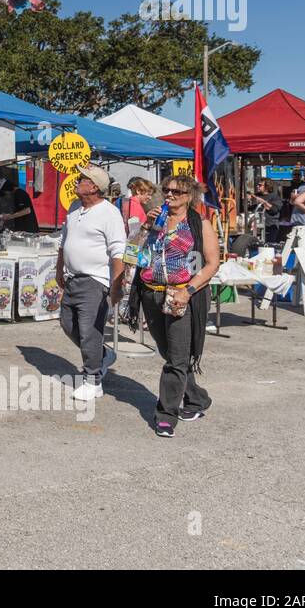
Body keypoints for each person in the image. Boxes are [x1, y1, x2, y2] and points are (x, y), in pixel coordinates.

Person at [130, 174, 219, 437]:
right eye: (166, 190)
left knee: (177, 359)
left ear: (189, 196)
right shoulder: (155, 220)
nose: (169, 196)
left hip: (182, 295)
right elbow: (131, 253)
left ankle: (166, 414)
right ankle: (198, 399)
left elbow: (213, 264)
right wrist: (145, 227)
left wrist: (188, 291)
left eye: (176, 193)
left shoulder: (198, 223)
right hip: (151, 294)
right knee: (170, 354)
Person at [56, 163, 127, 401]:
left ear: (94, 187)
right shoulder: (75, 207)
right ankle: (102, 355)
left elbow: (118, 251)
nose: (76, 181)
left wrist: (117, 285)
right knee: (67, 324)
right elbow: (64, 242)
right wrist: (59, 270)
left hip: (95, 281)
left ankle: (93, 380)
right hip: (72, 277)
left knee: (89, 331)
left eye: (82, 179)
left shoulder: (109, 213)